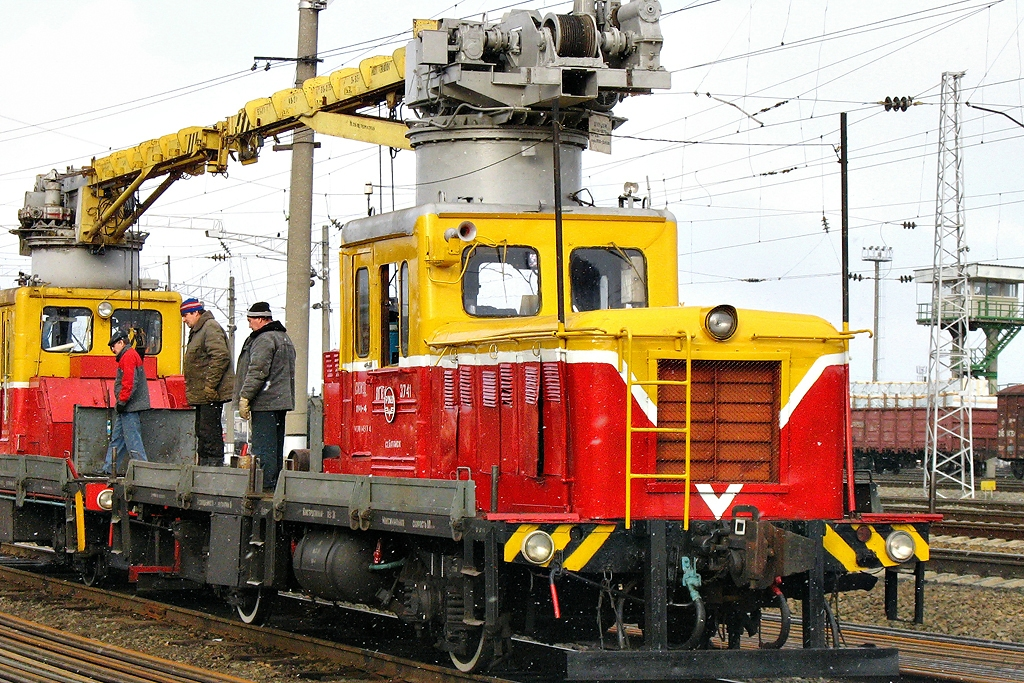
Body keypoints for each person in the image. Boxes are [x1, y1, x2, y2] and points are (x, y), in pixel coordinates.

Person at [235, 302, 295, 491]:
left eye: (251, 320)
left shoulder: (264, 340)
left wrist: (245, 397)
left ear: (261, 319)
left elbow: (257, 371)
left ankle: (266, 486)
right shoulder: (284, 338)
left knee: (263, 449)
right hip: (281, 401)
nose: (249, 324)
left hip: (265, 402)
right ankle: (275, 484)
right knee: (276, 448)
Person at [181, 298, 235, 466]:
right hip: (204, 394)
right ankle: (206, 468)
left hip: (209, 393)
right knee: (203, 431)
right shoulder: (200, 330)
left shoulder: (209, 328)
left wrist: (210, 386)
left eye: (185, 315)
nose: (184, 319)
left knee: (209, 432)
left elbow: (221, 356)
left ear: (196, 312)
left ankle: (212, 469)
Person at [101, 330, 151, 475]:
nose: (112, 350)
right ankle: (109, 469)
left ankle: (142, 471)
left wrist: (122, 401)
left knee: (132, 440)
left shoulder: (128, 356)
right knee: (118, 439)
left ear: (121, 343)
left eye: (113, 346)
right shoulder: (129, 355)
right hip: (127, 407)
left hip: (129, 406)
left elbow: (129, 382)